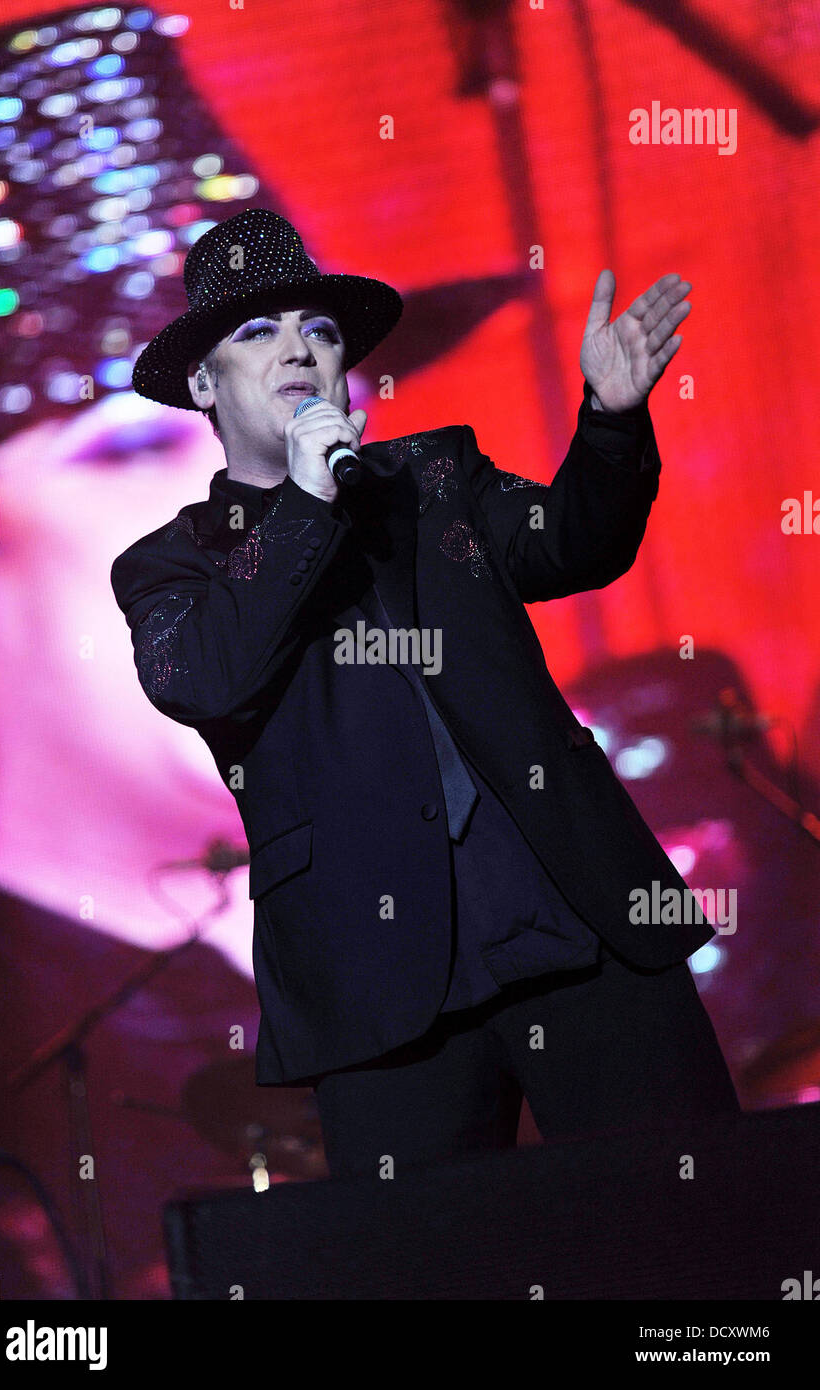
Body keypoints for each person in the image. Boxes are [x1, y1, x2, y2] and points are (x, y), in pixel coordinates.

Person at [111, 206, 740, 1181]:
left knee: (692, 1234)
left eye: (319, 331)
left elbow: (575, 538)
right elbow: (202, 675)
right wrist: (304, 507)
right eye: (258, 332)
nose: (299, 350)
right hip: (378, 984)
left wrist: (610, 422)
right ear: (202, 381)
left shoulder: (432, 479)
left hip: (572, 919)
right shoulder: (171, 566)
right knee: (426, 1272)